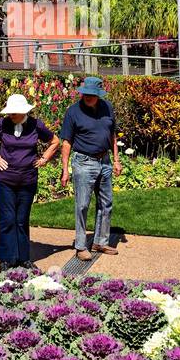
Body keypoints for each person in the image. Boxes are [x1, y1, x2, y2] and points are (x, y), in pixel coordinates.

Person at [0, 93, 59, 273]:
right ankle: (6, 259)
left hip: (28, 180)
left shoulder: (36, 125)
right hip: (5, 180)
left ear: (23, 112)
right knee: (7, 219)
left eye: (14, 112)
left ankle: (23, 258)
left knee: (21, 219)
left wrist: (44, 159)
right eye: (9, 112)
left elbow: (54, 141)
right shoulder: (2, 124)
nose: (10, 115)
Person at [59, 75, 122, 261]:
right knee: (82, 205)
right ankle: (80, 246)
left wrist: (116, 160)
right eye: (86, 93)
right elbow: (66, 142)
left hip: (105, 161)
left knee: (106, 203)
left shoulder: (107, 107)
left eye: (92, 94)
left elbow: (113, 136)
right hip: (83, 162)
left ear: (99, 95)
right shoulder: (73, 112)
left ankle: (100, 242)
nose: (88, 97)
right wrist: (65, 170)